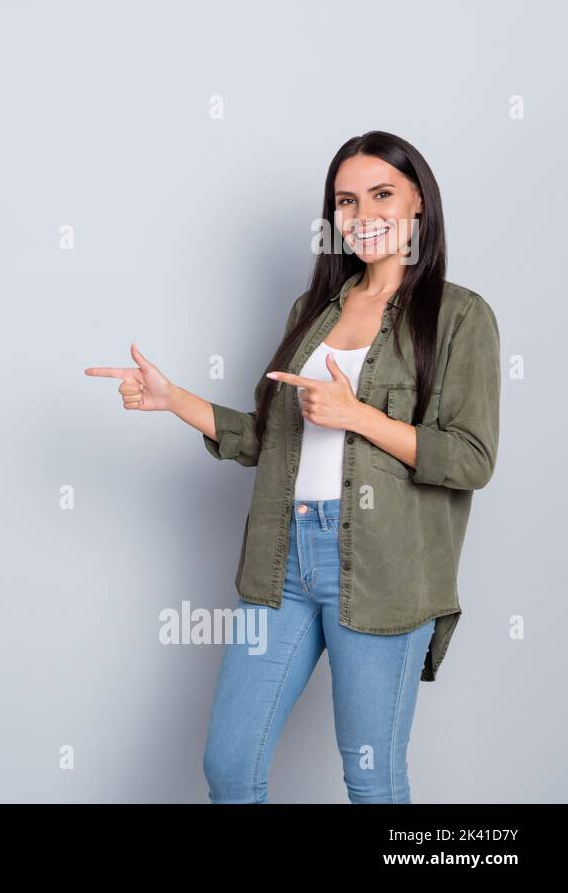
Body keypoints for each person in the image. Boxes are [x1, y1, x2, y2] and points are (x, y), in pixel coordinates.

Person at [85, 130, 500, 803]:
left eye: (381, 194)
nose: (362, 216)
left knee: (371, 778)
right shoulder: (311, 314)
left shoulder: (459, 317)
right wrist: (174, 400)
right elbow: (269, 441)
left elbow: (471, 458)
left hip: (385, 573)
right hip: (282, 562)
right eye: (345, 201)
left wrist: (357, 414)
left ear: (418, 202)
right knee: (230, 762)